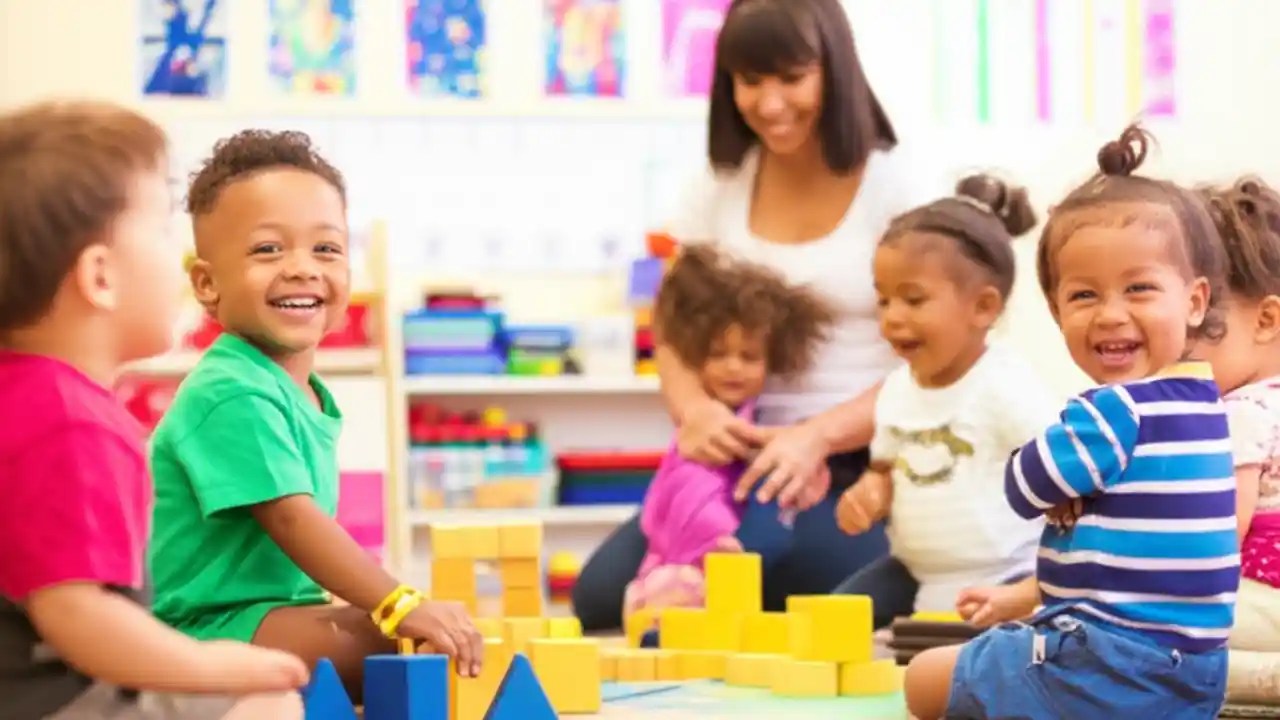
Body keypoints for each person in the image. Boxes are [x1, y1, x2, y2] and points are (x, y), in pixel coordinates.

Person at [572, 0, 950, 629]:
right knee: (601, 597)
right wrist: (694, 410)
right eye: (751, 81)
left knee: (774, 584)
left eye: (791, 77)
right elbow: (672, 321)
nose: (771, 104)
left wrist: (819, 436)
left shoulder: (897, 186)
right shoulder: (720, 184)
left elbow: (940, 360)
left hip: (849, 461)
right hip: (727, 461)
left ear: (833, 70)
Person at [904, 125, 1237, 719]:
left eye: (1139, 288)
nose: (1111, 315)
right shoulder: (1206, 406)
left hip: (1106, 664)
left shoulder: (1115, 410)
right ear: (1057, 311)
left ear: (1194, 300)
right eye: (1084, 296)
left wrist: (1054, 480)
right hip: (1197, 672)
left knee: (925, 678)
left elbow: (1022, 487)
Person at [146, 130, 483, 701]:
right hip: (206, 630)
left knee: (423, 636)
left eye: (326, 249)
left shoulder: (294, 389)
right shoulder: (229, 390)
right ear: (207, 284)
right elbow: (293, 521)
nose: (302, 268)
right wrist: (399, 602)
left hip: (267, 615)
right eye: (267, 250)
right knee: (396, 641)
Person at [0, 101, 308, 719]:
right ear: (101, 277)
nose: (186, 258)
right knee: (264, 700)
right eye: (166, 229)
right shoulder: (70, 419)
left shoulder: (23, 397)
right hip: (49, 703)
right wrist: (207, 664)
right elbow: (76, 611)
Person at [833, 175, 1056, 627]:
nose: (893, 317)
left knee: (981, 658)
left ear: (984, 307)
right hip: (916, 573)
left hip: (1007, 575)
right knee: (831, 622)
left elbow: (1061, 473)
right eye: (883, 300)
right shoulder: (897, 388)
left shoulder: (1005, 386)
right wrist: (868, 494)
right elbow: (884, 470)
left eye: (913, 300)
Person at [624, 244, 836, 616]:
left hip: (731, 535)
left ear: (771, 361)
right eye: (718, 355)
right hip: (686, 543)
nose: (733, 368)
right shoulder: (699, 421)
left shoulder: (764, 421)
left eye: (749, 357)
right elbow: (674, 496)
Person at [1198, 178, 1280, 703]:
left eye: (1202, 324)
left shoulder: (1239, 411)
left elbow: (1222, 533)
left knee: (1143, 641)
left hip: (1265, 596)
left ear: (1267, 319)